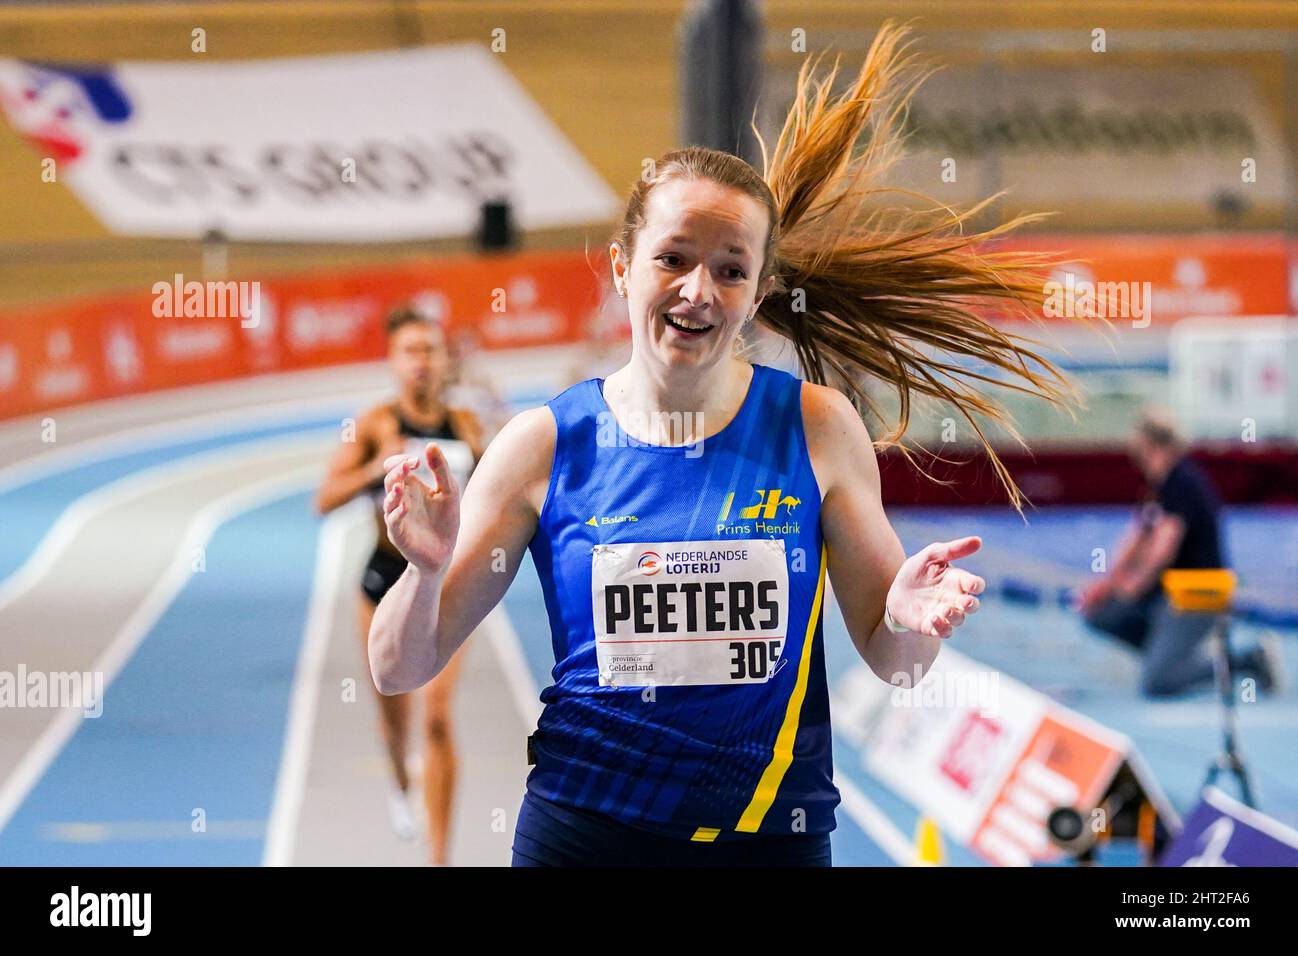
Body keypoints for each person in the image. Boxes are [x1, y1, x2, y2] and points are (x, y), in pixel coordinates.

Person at [368, 22, 1083, 867]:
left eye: (731, 269)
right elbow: (397, 668)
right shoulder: (544, 447)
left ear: (761, 290)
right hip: (586, 835)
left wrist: (906, 622)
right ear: (622, 266)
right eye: (672, 258)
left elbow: (899, 666)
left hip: (768, 839)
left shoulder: (816, 428)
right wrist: (422, 570)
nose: (697, 292)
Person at [315, 306, 486, 865]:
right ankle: (398, 779)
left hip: (444, 581)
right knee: (395, 713)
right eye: (409, 351)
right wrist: (375, 468)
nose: (420, 362)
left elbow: (494, 494)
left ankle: (438, 857)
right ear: (393, 361)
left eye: (430, 350)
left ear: (444, 359)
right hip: (384, 579)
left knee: (436, 716)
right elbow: (324, 499)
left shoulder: (464, 426)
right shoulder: (373, 423)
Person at [1080, 408, 1280, 698]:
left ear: (1147, 444)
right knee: (1103, 612)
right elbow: (1136, 537)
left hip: (1196, 595)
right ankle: (1167, 654)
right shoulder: (1158, 485)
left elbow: (1163, 548)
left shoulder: (1182, 481)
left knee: (1158, 683)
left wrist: (1133, 587)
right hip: (1169, 596)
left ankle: (1247, 660)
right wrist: (1106, 585)